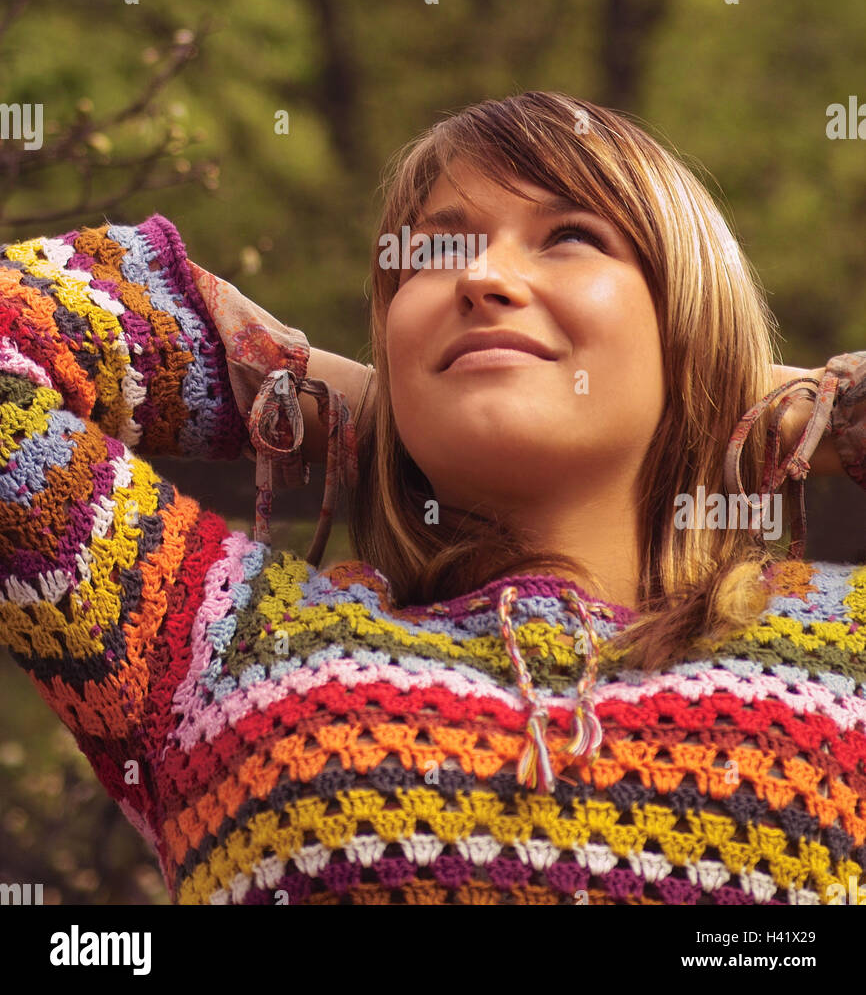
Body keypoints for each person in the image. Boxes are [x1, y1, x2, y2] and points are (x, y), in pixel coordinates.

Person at [1, 91, 864, 906]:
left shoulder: (844, 653)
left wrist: (781, 407)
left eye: (568, 236)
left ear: (690, 323)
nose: (480, 278)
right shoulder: (214, 642)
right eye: (436, 251)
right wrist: (321, 399)